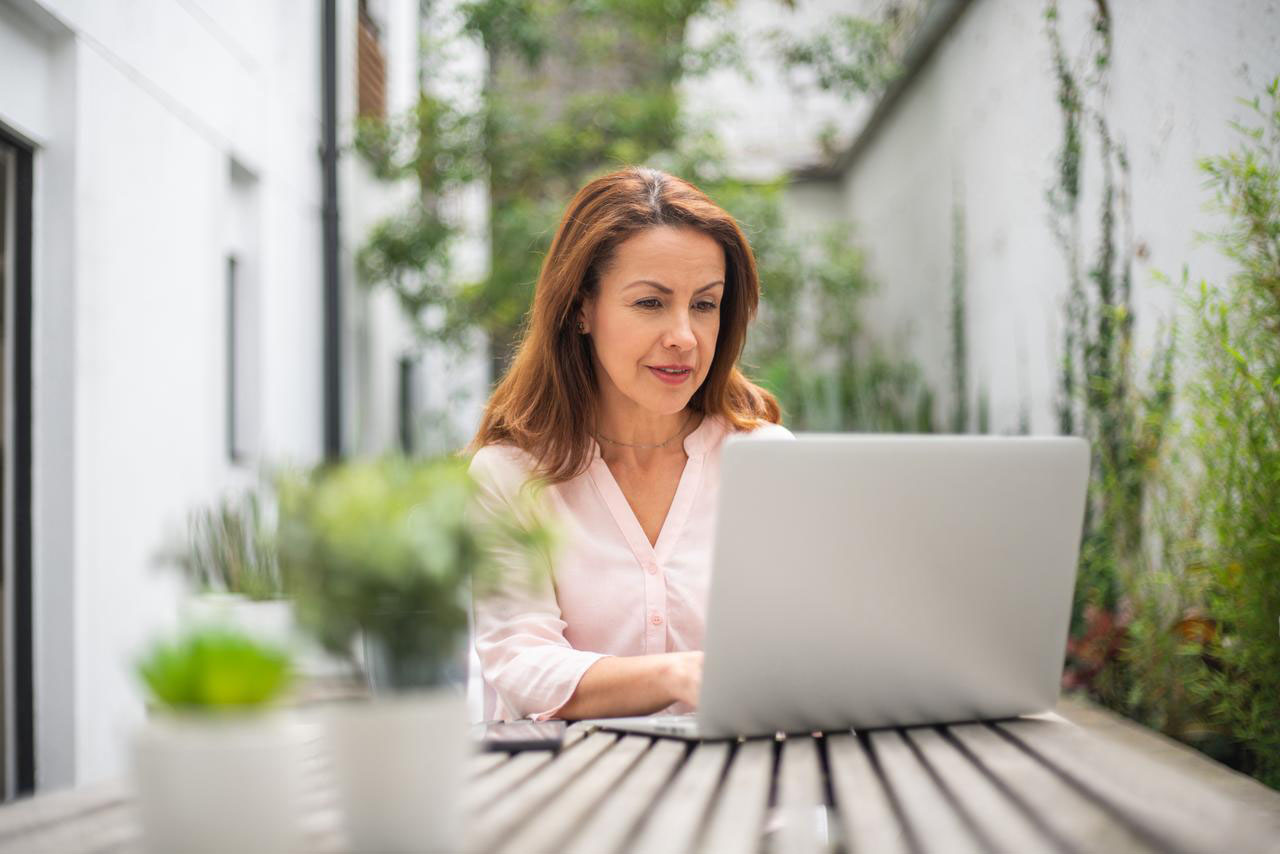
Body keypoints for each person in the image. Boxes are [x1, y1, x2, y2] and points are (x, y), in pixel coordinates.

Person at [468, 166, 792, 722]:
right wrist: (678, 676)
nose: (684, 337)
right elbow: (522, 663)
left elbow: (801, 647)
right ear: (581, 309)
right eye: (649, 303)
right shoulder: (509, 475)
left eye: (705, 304)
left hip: (735, 790)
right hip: (564, 795)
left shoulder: (766, 461)